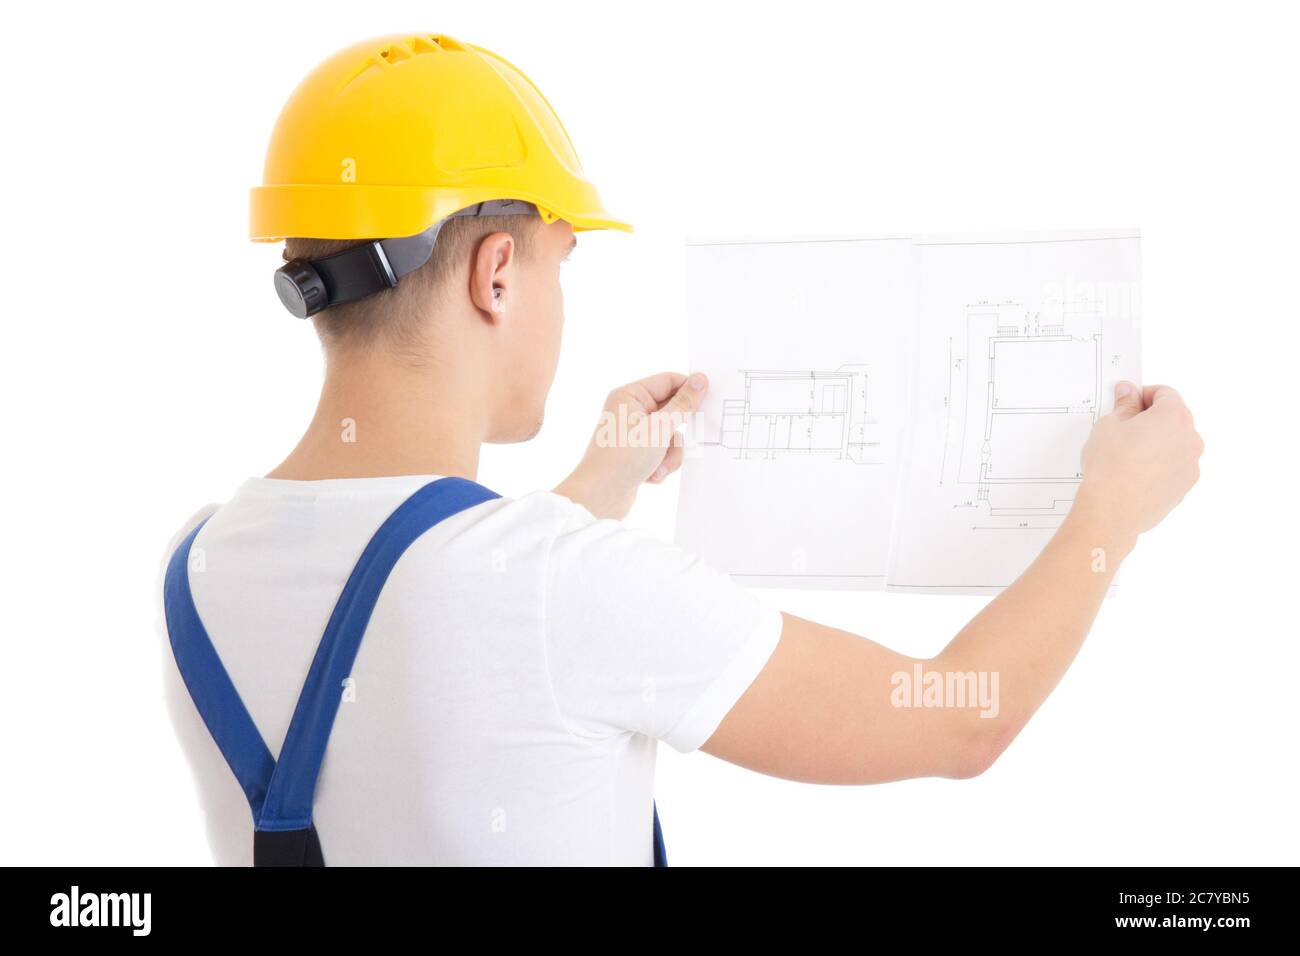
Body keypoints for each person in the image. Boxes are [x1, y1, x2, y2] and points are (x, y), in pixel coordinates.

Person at [160, 33, 1203, 866]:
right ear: (494, 274)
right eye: (561, 260)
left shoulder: (196, 567)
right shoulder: (564, 587)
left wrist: (592, 486)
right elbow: (961, 717)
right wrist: (1110, 512)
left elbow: (438, 621)